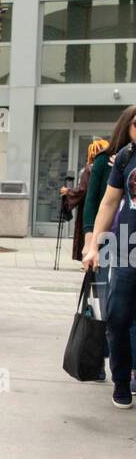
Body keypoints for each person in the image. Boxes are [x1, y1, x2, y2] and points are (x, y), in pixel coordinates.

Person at [82, 108, 136, 407]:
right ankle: (120, 379)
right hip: (127, 251)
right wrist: (93, 246)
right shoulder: (125, 158)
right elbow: (108, 202)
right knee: (118, 318)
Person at [61, 139, 107, 264]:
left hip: (90, 208)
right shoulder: (109, 168)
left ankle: (87, 258)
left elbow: (83, 190)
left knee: (88, 233)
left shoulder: (90, 169)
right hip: (104, 208)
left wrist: (68, 192)